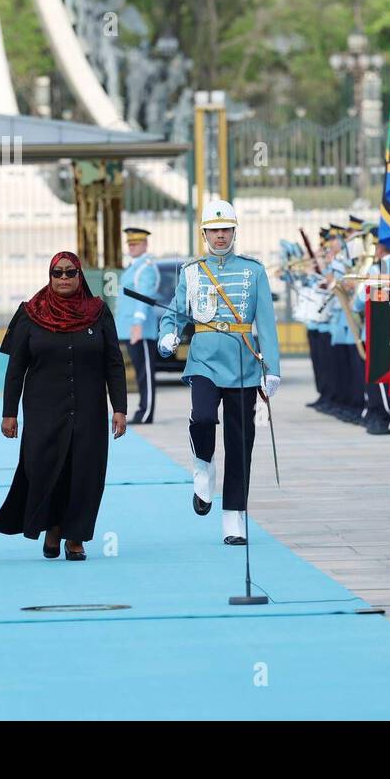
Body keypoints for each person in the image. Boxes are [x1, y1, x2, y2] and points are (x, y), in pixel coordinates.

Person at [0, 252, 128, 560]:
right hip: (42, 410)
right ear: (49, 276)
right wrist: (9, 413)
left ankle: (75, 536)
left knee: (85, 472)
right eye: (57, 273)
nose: (63, 278)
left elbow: (113, 363)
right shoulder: (30, 313)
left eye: (70, 272)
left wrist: (119, 407)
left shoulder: (98, 312)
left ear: (80, 276)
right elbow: (16, 369)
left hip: (89, 410)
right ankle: (52, 526)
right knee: (44, 469)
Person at [159, 199, 281, 545]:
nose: (221, 236)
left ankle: (234, 518)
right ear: (204, 234)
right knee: (201, 417)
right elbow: (175, 313)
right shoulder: (192, 271)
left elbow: (267, 325)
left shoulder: (253, 271)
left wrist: (270, 368)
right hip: (204, 360)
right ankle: (203, 464)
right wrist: (168, 335)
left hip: (242, 361)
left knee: (242, 441)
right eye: (214, 231)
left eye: (226, 229)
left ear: (234, 231)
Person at [117, 227, 162, 424]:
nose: (132, 247)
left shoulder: (146, 268)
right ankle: (143, 410)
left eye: (136, 243)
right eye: (130, 243)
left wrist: (137, 323)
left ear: (145, 244)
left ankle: (145, 413)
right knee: (140, 372)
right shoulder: (134, 267)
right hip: (130, 328)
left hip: (141, 330)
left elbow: (144, 298)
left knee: (145, 373)